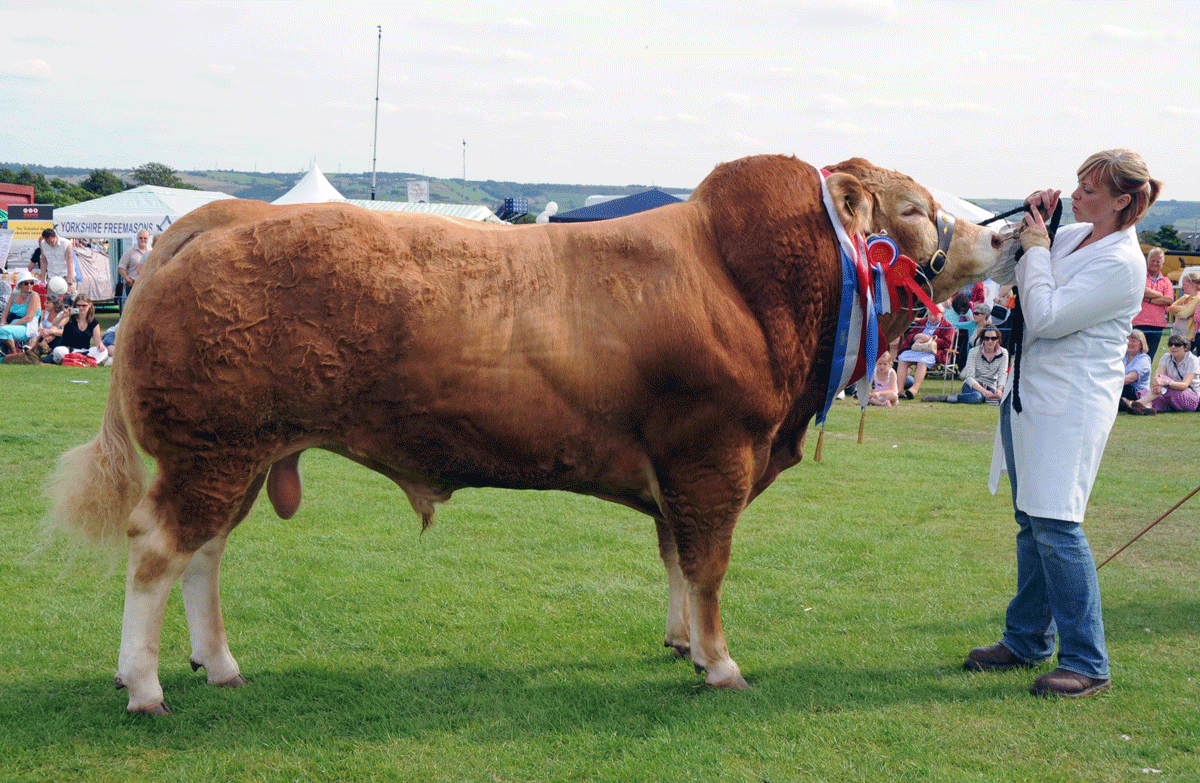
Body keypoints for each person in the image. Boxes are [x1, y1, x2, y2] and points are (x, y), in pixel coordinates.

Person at [965, 149, 1161, 699]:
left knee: (1057, 525)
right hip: (1027, 394)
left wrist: (1038, 250)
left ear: (1124, 201)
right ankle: (1026, 638)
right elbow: (1009, 274)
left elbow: (1047, 318)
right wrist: (1028, 227)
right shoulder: (1072, 237)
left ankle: (1086, 660)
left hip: (1071, 403)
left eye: (1090, 190)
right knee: (1033, 523)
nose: (1076, 196)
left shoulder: (1122, 262)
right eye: (1078, 185)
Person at [923, 326, 1008, 404]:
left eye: (993, 338)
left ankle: (985, 397)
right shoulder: (974, 352)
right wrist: (983, 391)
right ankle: (946, 398)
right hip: (972, 385)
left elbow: (1002, 374)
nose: (990, 341)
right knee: (977, 397)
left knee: (1003, 398)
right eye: (987, 338)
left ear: (998, 339)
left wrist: (1000, 390)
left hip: (991, 386)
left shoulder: (1004, 353)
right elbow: (969, 377)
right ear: (982, 339)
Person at [1130, 335, 1200, 414]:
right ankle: (1146, 409)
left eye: (1177, 345)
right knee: (1144, 391)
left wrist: (1166, 383)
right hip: (1171, 397)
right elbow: (1158, 376)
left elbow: (1184, 385)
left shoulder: (1192, 360)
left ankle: (1137, 404)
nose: (1173, 347)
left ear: (1185, 348)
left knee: (1164, 383)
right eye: (1170, 344)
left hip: (1191, 400)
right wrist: (1157, 383)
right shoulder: (1166, 357)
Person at [894, 313, 955, 399]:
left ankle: (914, 389)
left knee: (922, 362)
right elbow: (909, 336)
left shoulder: (948, 326)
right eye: (930, 315)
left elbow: (946, 343)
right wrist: (916, 336)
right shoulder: (921, 322)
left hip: (933, 352)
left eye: (935, 315)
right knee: (903, 359)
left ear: (941, 315)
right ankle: (899, 390)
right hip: (916, 349)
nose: (931, 317)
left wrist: (932, 339)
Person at [1133, 247, 1174, 357]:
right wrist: (1160, 294)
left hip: (1157, 325)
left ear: (1162, 263)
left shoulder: (1166, 281)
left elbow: (1169, 299)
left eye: (1158, 261)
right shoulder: (1140, 275)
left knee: (1149, 358)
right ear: (1147, 260)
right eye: (1152, 260)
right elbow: (1141, 291)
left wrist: (1149, 298)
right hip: (1137, 323)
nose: (1155, 263)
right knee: (1133, 357)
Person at [51, 295, 106, 365]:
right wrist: (63, 316)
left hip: (84, 351)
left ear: (90, 305)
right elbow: (55, 324)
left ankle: (75, 361)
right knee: (58, 350)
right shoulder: (70, 317)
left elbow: (97, 340)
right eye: (78, 305)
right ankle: (85, 361)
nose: (81, 308)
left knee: (104, 351)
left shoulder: (93, 321)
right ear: (75, 306)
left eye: (84, 305)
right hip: (68, 350)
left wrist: (100, 344)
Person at [0, 270, 43, 354]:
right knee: (3, 329)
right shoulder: (14, 294)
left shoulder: (34, 296)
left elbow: (28, 317)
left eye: (31, 283)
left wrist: (9, 325)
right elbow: (6, 311)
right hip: (13, 325)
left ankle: (15, 354)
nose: (29, 285)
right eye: (26, 283)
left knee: (4, 330)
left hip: (27, 327)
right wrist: (2, 322)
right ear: (20, 285)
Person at [1117, 331, 1153, 413]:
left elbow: (1130, 378)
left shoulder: (1144, 358)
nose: (1130, 344)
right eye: (1128, 341)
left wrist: (1111, 381)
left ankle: (1130, 404)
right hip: (1122, 387)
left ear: (1141, 344)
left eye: (1133, 341)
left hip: (1137, 393)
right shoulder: (1122, 357)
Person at [1167, 267, 1199, 352]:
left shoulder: (1198, 298)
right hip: (1177, 333)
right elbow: (1170, 308)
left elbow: (1184, 314)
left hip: (1188, 337)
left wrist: (1178, 310)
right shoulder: (1185, 297)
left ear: (1192, 285)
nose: (1182, 287)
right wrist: (1184, 308)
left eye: (1184, 284)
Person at [37, 228, 75, 296]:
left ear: (55, 236)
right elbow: (43, 261)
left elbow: (70, 264)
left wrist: (69, 283)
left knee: (67, 298)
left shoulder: (66, 244)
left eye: (52, 242)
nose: (50, 244)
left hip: (65, 274)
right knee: (52, 300)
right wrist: (43, 279)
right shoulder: (43, 244)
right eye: (48, 243)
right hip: (52, 275)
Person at [117, 230, 151, 304]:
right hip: (132, 285)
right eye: (141, 238)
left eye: (145, 238)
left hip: (146, 285)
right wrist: (127, 279)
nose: (143, 240)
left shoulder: (150, 252)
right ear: (137, 238)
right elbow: (121, 267)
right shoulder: (130, 252)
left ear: (148, 239)